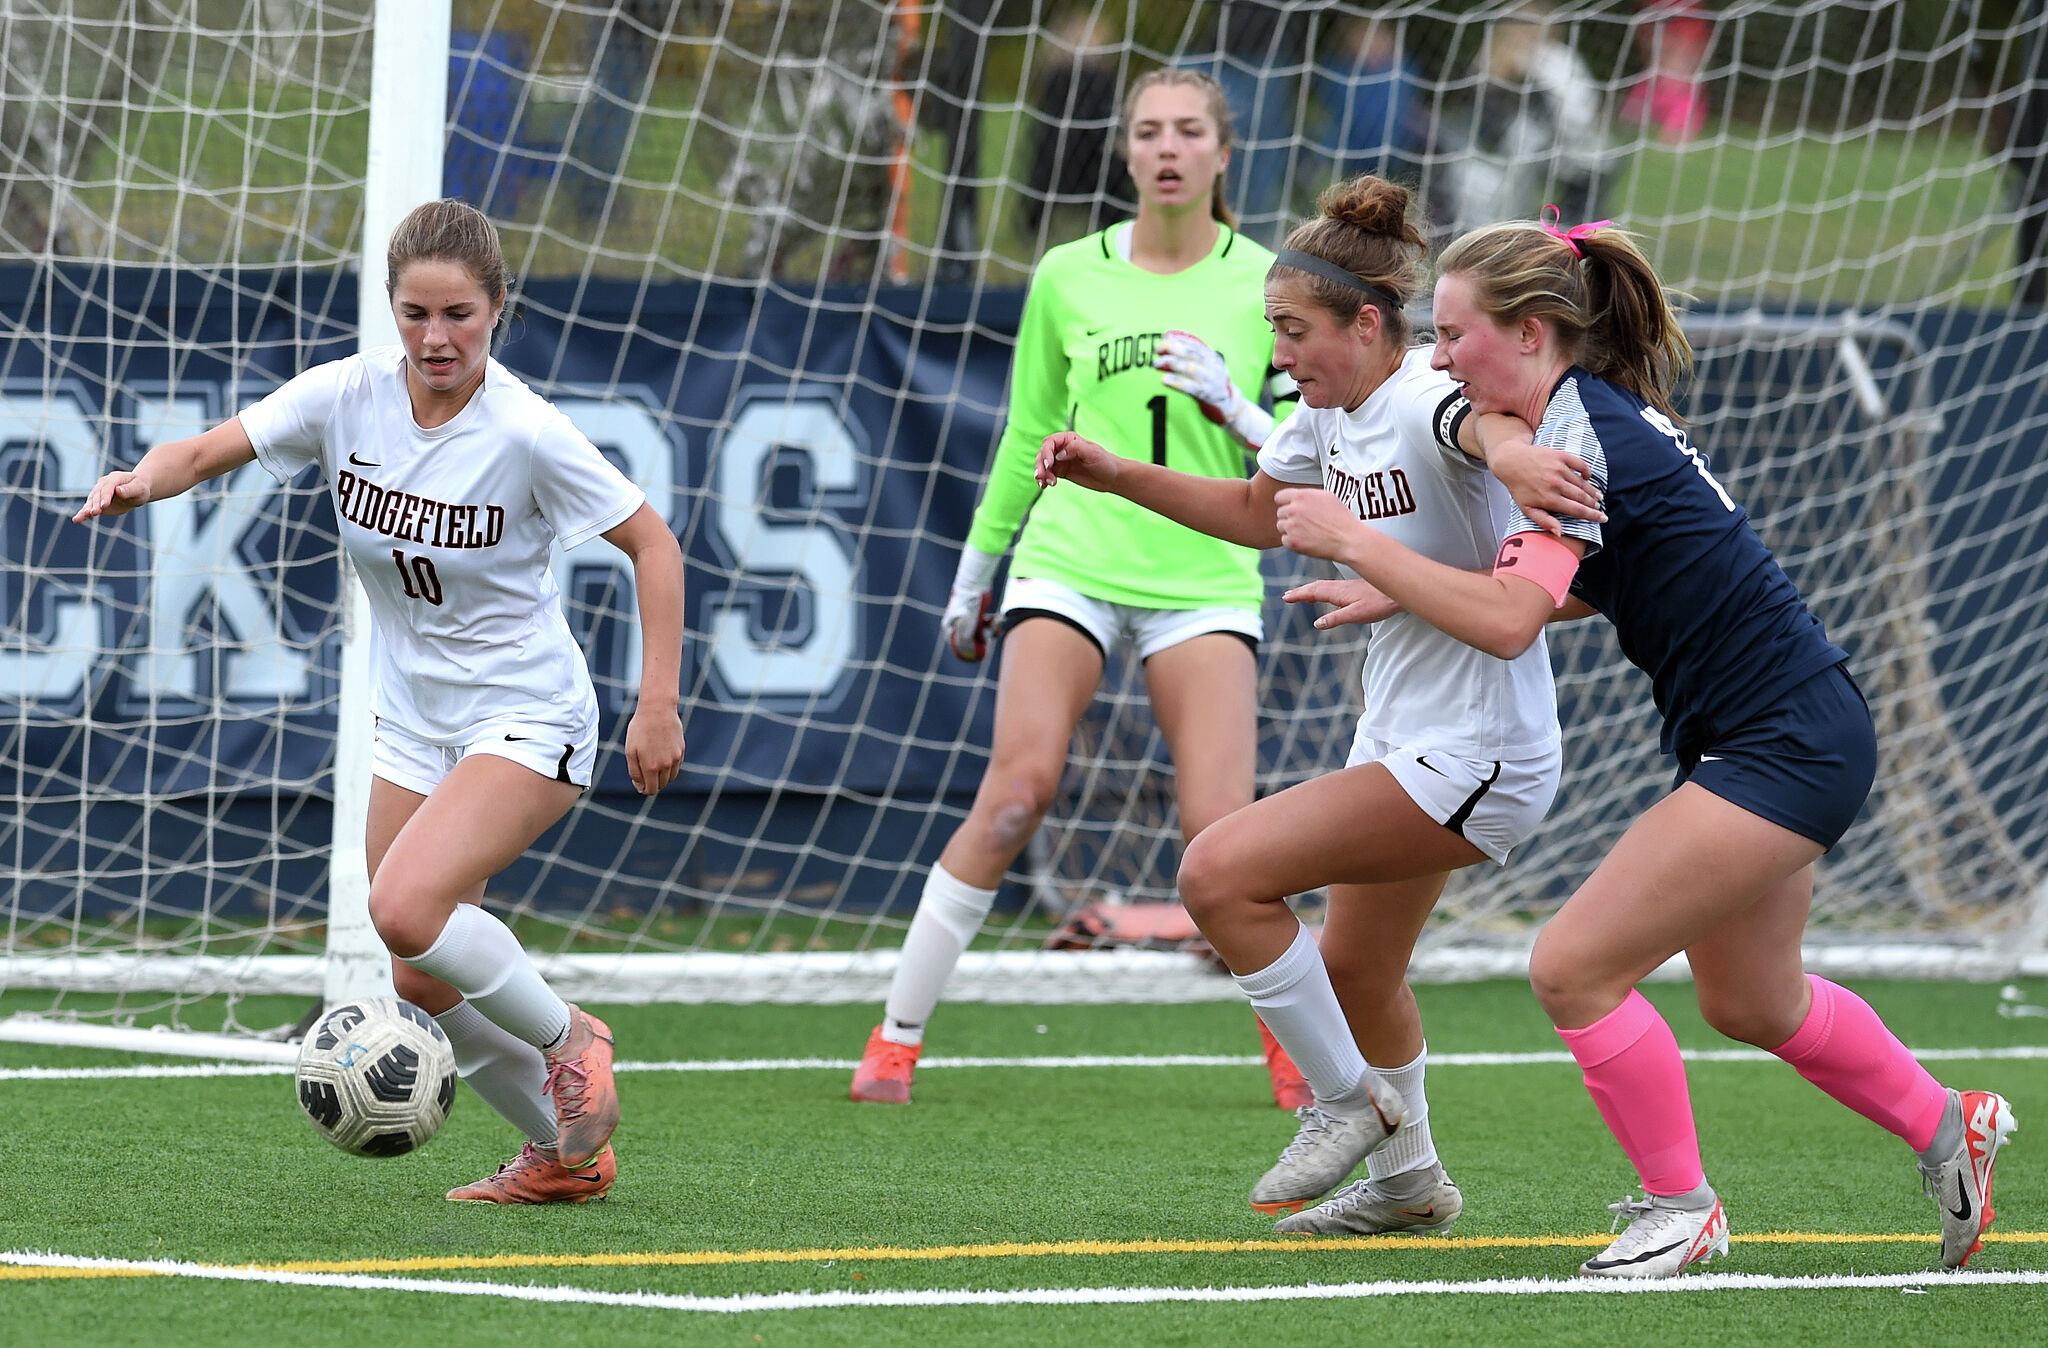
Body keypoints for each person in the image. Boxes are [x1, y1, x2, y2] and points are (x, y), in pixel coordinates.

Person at [1267, 207, 2017, 1275]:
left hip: (1782, 738)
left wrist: (1353, 541)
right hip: (1778, 729)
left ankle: (1679, 1207)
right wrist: (1396, 587)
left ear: (1529, 333)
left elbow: (1508, 620)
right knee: (1751, 999)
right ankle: (1950, 1122)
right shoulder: (1574, 421)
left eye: (1450, 334)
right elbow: (1562, 590)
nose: (1435, 358)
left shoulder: (1575, 436)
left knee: (1570, 966)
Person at [74, 198, 686, 1205]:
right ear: (390, 309)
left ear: (498, 309)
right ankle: (568, 1157)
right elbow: (200, 451)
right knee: (419, 976)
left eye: (458, 315)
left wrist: (655, 701)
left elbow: (652, 544)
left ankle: (572, 1036)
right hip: (411, 715)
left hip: (525, 713)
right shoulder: (345, 395)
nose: (435, 337)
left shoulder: (526, 431)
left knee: (402, 907)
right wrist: (139, 482)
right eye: (414, 314)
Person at [1034, 173, 1565, 1232]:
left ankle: (1342, 1104)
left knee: (1215, 871)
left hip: (1478, 751)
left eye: (1290, 329)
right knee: (1356, 968)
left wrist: (1521, 454)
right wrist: (1111, 473)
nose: (1276, 352)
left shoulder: (1421, 393)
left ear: (1366, 324)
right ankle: (1411, 1184)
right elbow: (1251, 509)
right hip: (1408, 738)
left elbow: (1486, 433)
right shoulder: (1327, 415)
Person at [850, 68, 1308, 1111]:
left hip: (1202, 572)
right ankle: (894, 1037)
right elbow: (1025, 433)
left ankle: (1296, 1054)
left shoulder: (1267, 279)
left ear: (1222, 152)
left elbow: (1303, 451)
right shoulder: (1069, 273)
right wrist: (977, 570)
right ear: (1125, 150)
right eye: (1148, 131)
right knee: (1016, 791)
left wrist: (1235, 405)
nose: (1167, 148)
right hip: (1071, 559)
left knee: (1220, 835)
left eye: (1189, 131)